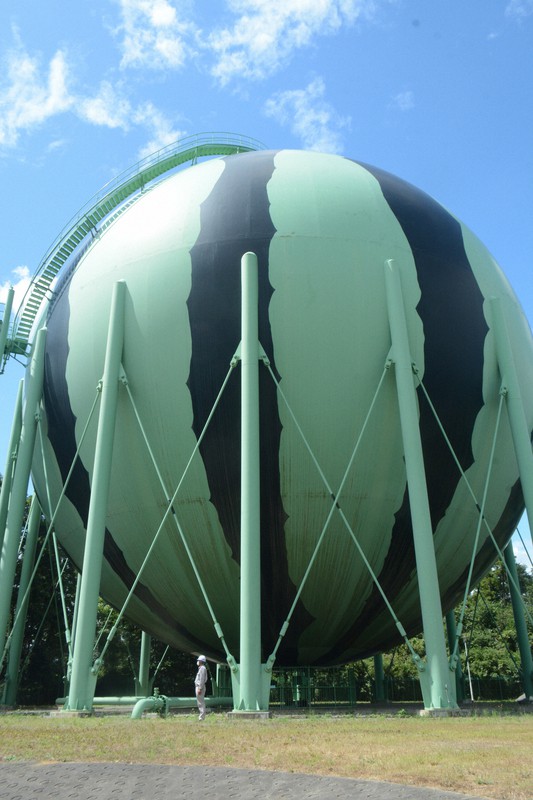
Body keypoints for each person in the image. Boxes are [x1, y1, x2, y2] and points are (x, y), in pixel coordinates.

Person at [194, 655, 208, 720]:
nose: (197, 661)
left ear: (201, 661)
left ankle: (201, 717)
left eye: (198, 660)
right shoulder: (201, 668)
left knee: (201, 702)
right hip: (199, 686)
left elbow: (202, 679)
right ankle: (201, 716)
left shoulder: (202, 668)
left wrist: (199, 688)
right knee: (200, 702)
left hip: (200, 687)